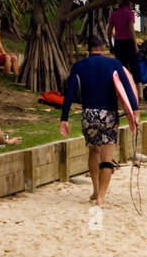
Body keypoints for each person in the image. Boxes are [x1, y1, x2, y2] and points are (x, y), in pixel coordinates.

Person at [59, 37, 138, 206]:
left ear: (88, 47)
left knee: (93, 150)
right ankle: (101, 197)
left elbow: (69, 93)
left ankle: (95, 190)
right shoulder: (114, 64)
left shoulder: (78, 66)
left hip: (88, 115)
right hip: (108, 115)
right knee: (107, 157)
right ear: (104, 47)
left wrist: (64, 118)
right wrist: (134, 110)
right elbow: (126, 88)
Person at [109, 1, 139, 97]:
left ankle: (121, 91)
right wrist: (135, 44)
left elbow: (109, 31)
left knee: (121, 67)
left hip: (118, 42)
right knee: (134, 66)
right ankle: (139, 92)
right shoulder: (129, 13)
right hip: (128, 42)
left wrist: (111, 44)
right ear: (129, 4)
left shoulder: (115, 14)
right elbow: (131, 29)